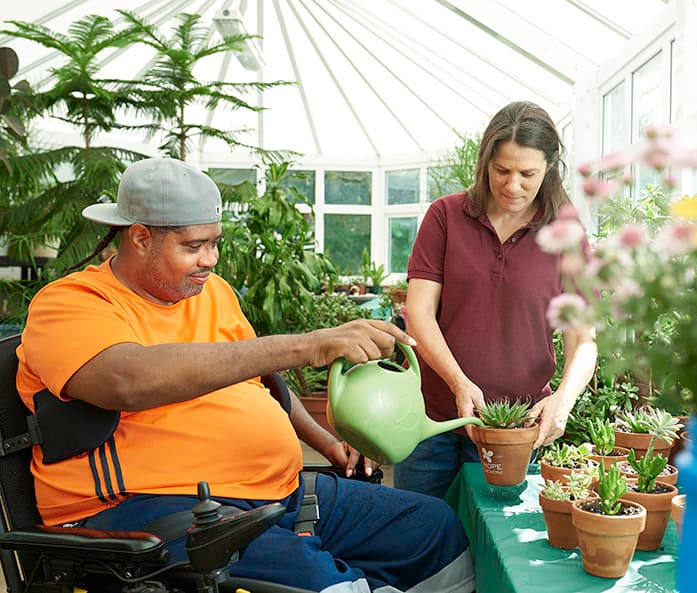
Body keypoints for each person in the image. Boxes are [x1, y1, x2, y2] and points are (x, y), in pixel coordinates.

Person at [15, 157, 475, 593]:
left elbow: (262, 381)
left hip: (273, 495)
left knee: (433, 531)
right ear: (139, 238)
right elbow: (127, 380)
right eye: (193, 247)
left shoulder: (211, 293)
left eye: (214, 243)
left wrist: (327, 441)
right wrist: (307, 344)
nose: (210, 259)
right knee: (327, 583)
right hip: (145, 511)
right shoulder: (70, 304)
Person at [394, 101, 598, 498]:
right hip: (429, 420)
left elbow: (583, 339)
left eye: (528, 174)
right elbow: (418, 314)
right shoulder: (445, 217)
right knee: (412, 536)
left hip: (513, 430)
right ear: (485, 161)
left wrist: (563, 399)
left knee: (494, 545)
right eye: (502, 170)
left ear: (550, 168)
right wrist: (458, 383)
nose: (513, 185)